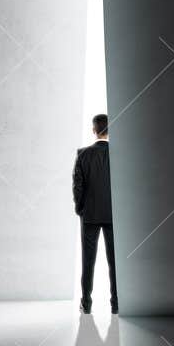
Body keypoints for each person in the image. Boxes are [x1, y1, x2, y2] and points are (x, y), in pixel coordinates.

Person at [72, 113, 116, 314]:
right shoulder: (119, 154)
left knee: (87, 260)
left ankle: (86, 304)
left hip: (89, 214)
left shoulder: (83, 154)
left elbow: (77, 187)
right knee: (114, 261)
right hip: (113, 214)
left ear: (93, 130)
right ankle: (116, 303)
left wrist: (80, 208)